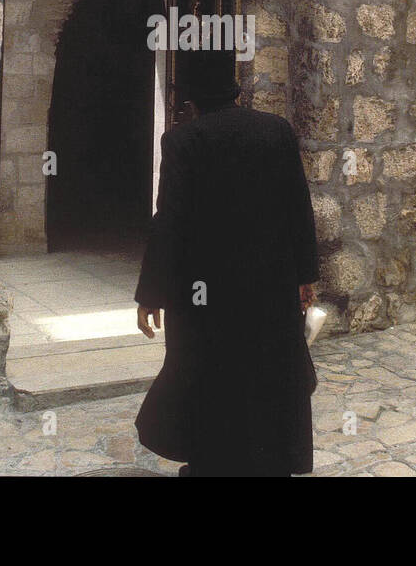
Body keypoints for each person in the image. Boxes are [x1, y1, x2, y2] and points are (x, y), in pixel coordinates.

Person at [133, 47, 319, 476]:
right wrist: (305, 275)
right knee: (266, 376)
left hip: (205, 295)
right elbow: (298, 205)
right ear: (234, 88)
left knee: (210, 379)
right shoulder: (277, 131)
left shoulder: (182, 141)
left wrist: (151, 295)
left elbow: (169, 223)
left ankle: (214, 466)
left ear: (191, 96)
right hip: (269, 288)